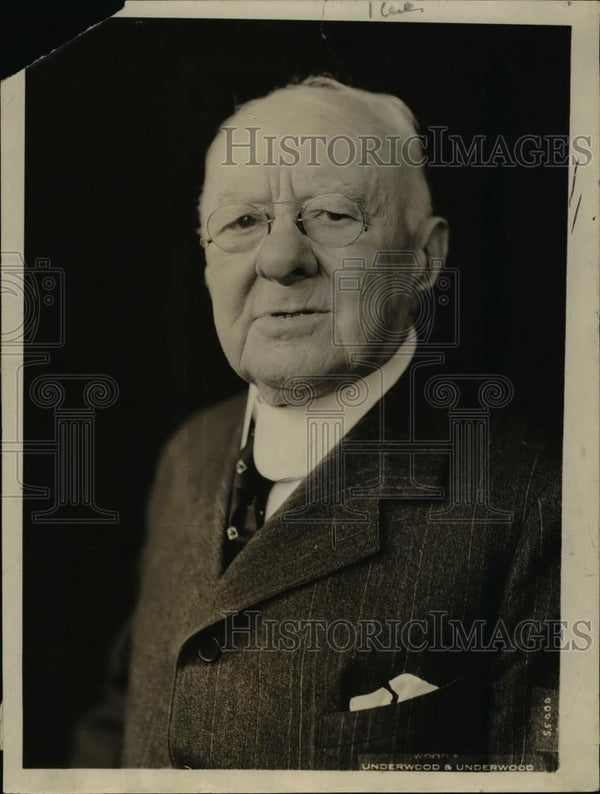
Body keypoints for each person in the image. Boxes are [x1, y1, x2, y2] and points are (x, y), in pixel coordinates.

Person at [73, 76, 560, 770]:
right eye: (242, 223)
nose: (280, 259)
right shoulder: (189, 454)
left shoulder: (536, 503)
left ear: (425, 258)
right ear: (207, 257)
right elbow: (121, 723)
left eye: (332, 214)